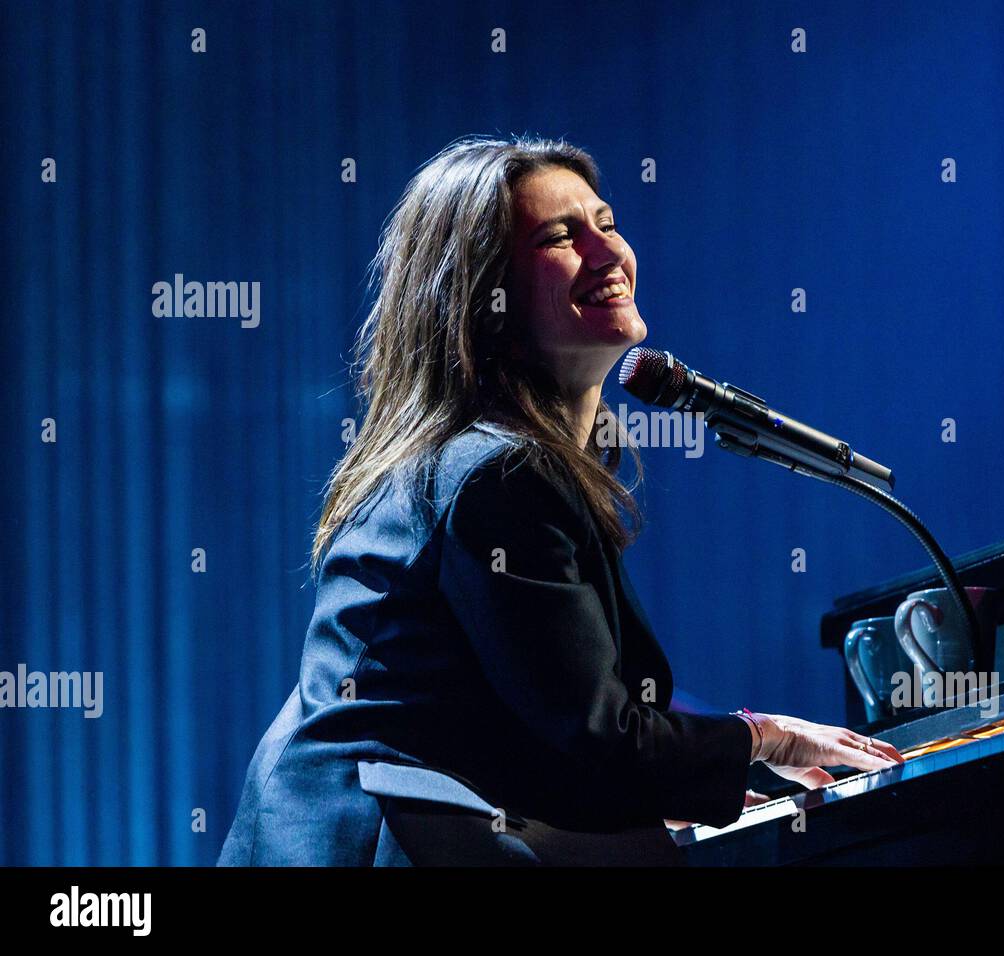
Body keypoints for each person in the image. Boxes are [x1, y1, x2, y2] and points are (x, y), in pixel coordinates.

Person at [216, 134, 902, 866]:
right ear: (485, 297)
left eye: (605, 223)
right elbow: (596, 737)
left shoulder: (487, 464)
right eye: (561, 237)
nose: (608, 255)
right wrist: (765, 737)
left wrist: (677, 788)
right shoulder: (496, 478)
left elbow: (528, 733)